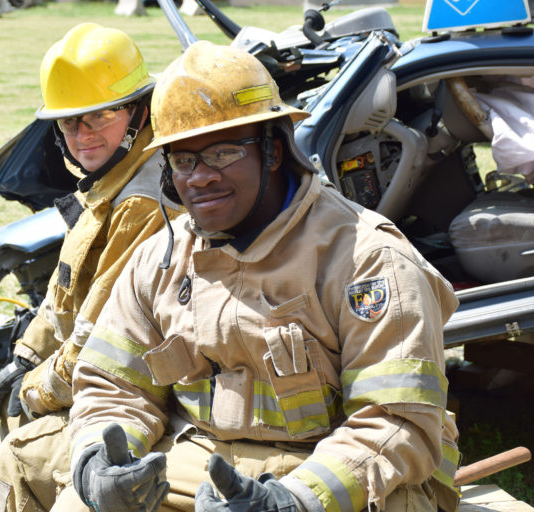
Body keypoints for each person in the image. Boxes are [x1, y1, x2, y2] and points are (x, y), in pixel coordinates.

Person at [50, 40, 462, 512]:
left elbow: (397, 423)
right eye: (183, 160)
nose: (199, 177)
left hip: (337, 481)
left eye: (223, 152)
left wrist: (290, 501)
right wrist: (100, 465)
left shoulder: (368, 259)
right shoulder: (157, 259)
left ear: (273, 149)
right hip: (205, 461)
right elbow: (112, 386)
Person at [0, 23, 181, 512]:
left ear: (138, 109)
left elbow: (98, 340)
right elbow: (65, 291)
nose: (82, 134)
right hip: (104, 372)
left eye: (101, 115)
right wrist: (27, 355)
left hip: (139, 388)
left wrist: (35, 388)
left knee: (22, 454)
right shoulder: (115, 173)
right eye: (70, 122)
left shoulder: (143, 200)